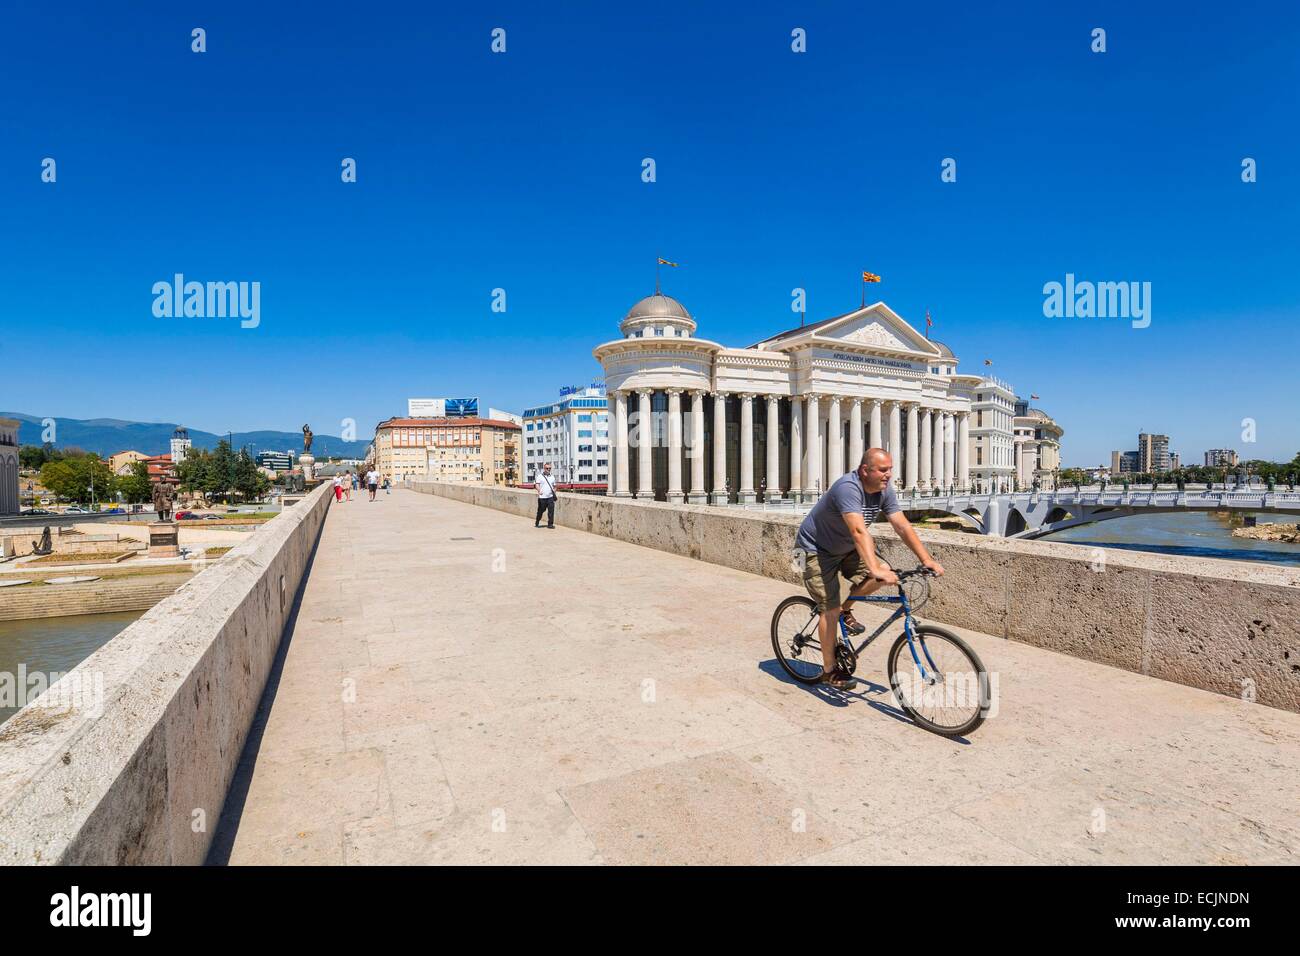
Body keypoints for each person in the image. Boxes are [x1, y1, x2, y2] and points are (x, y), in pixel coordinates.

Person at [794, 447, 944, 691]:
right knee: (829, 609)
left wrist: (926, 559)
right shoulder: (848, 488)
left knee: (886, 573)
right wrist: (873, 568)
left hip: (844, 549)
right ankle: (829, 670)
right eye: (883, 470)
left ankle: (846, 609)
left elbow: (902, 526)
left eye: (890, 470)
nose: (888, 475)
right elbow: (858, 531)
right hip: (812, 550)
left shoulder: (884, 491)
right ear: (865, 470)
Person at [534, 463, 557, 528]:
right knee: (541, 510)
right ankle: (537, 520)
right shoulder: (539, 476)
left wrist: (554, 492)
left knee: (551, 511)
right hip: (542, 497)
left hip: (550, 497)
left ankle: (550, 524)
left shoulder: (552, 477)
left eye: (550, 468)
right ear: (544, 469)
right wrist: (539, 491)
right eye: (547, 468)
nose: (548, 469)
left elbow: (555, 486)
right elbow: (537, 485)